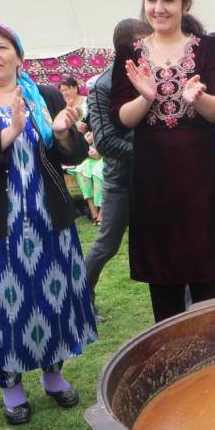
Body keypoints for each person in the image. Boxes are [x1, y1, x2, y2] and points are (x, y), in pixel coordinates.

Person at [0, 21, 97, 426]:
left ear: (18, 54)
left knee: (52, 298)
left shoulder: (43, 96)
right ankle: (10, 383)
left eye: (1, 47)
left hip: (48, 222)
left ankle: (53, 373)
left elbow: (73, 156)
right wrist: (7, 133)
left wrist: (63, 134)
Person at [109, 0, 215, 321]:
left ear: (186, 4)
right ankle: (171, 360)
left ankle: (213, 355)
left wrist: (196, 98)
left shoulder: (205, 48)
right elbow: (119, 118)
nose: (158, 8)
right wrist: (146, 97)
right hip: (154, 177)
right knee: (163, 279)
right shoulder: (130, 51)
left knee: (208, 275)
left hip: (201, 175)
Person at [83, 19, 147, 315]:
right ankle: (82, 300)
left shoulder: (156, 77)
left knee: (171, 240)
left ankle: (186, 307)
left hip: (155, 180)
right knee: (107, 245)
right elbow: (106, 143)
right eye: (143, 43)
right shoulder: (102, 85)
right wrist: (153, 152)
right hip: (120, 182)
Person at [61, 77, 102, 223]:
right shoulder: (62, 107)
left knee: (98, 172)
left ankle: (102, 213)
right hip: (83, 147)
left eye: (66, 89)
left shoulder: (89, 105)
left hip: (101, 150)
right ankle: (94, 213)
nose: (64, 93)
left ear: (75, 88)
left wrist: (98, 149)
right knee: (81, 170)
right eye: (62, 90)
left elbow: (103, 132)